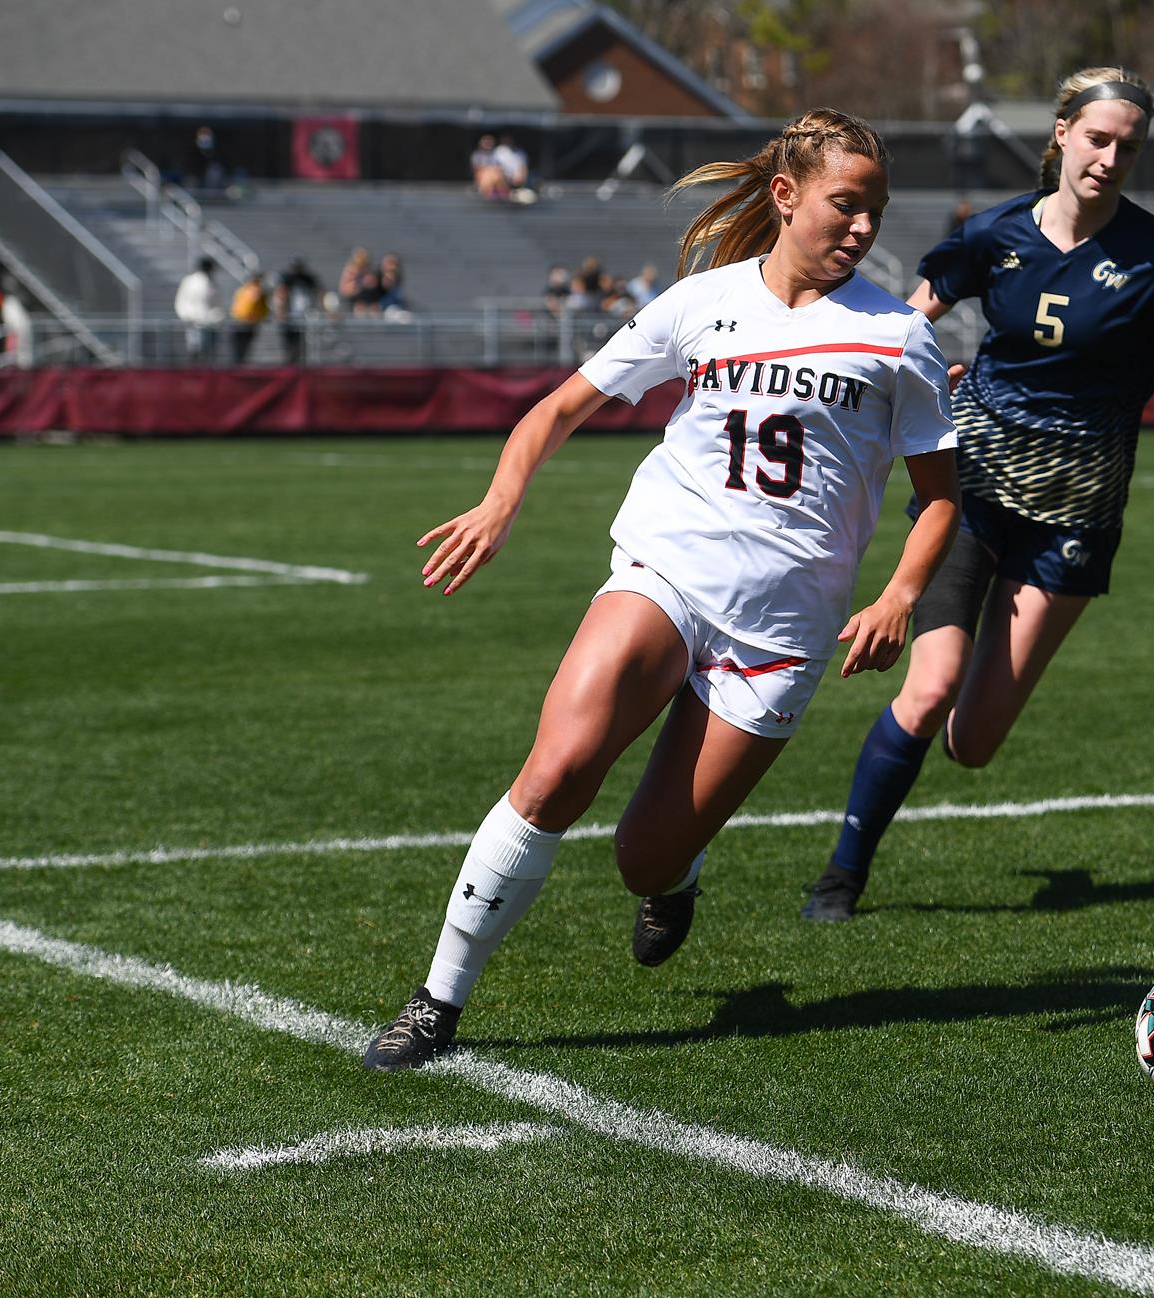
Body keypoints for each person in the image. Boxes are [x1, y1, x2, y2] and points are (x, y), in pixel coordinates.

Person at [361, 107, 960, 1070]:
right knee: (557, 769)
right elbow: (558, 409)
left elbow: (941, 500)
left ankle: (674, 878)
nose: (863, 228)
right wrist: (499, 501)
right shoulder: (699, 303)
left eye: (875, 213)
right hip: (665, 572)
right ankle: (437, 999)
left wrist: (899, 595)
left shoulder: (898, 339)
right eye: (845, 206)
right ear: (785, 195)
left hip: (780, 634)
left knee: (641, 857)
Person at [797, 66, 1154, 924]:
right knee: (931, 683)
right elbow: (908, 320)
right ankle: (842, 875)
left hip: (1077, 516)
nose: (1111, 157)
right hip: (971, 492)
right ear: (1062, 135)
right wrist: (911, 368)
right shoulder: (995, 234)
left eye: (1128, 145)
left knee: (973, 746)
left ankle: (955, 712)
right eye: (1097, 138)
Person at [174, 256, 224, 363]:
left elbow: (217, 303)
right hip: (195, 322)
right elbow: (181, 301)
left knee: (210, 352)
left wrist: (217, 316)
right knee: (196, 349)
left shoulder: (212, 282)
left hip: (211, 323)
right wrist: (188, 316)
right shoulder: (191, 281)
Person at [275, 256, 323, 363]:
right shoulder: (286, 279)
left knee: (304, 345)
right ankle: (291, 364)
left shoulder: (308, 279)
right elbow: (281, 294)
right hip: (290, 316)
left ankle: (300, 365)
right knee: (290, 344)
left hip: (305, 317)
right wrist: (281, 311)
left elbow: (320, 293)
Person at [228, 272, 270, 363]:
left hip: (250, 322)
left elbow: (262, 307)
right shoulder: (248, 290)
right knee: (239, 345)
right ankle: (237, 362)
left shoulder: (254, 291)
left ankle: (240, 362)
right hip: (241, 322)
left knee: (244, 346)